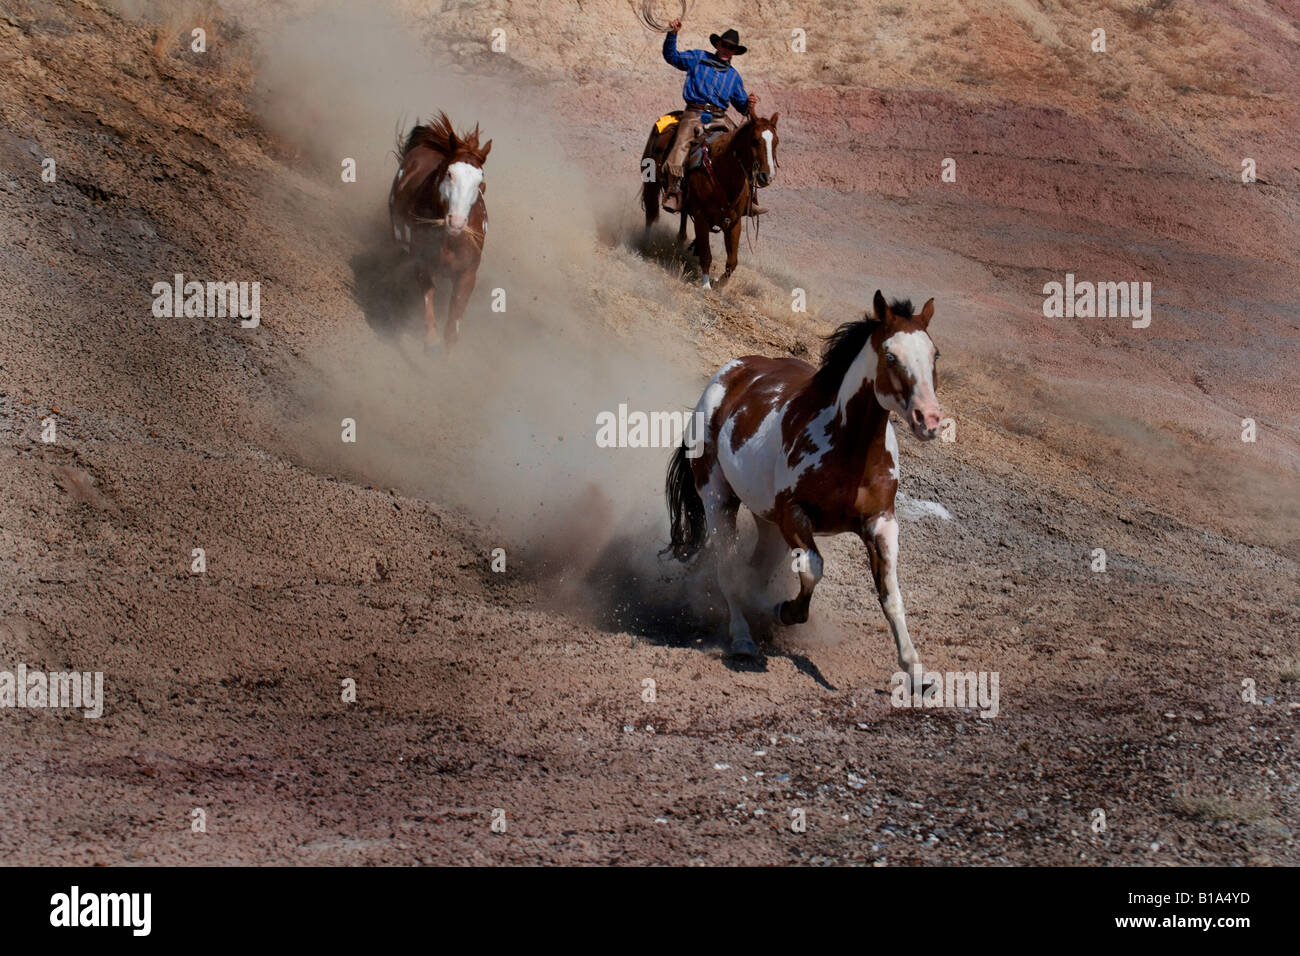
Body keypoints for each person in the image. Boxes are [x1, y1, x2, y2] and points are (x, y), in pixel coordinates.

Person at [660, 20, 765, 216]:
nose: (727, 49)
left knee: (743, 144)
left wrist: (749, 103)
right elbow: (671, 56)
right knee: (681, 144)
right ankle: (674, 191)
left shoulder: (734, 77)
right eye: (724, 45)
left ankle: (750, 197)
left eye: (731, 48)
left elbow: (741, 106)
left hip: (720, 117)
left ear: (735, 52)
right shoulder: (697, 58)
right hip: (694, 114)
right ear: (717, 45)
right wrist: (672, 34)